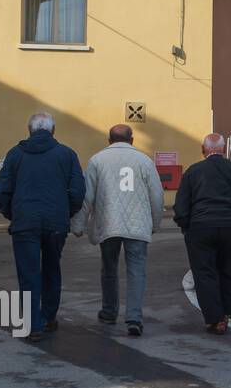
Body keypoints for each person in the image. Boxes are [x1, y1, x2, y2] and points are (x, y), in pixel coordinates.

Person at [0, 112, 85, 342]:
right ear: (53, 131)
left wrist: (12, 214)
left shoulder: (15, 154)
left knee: (28, 273)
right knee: (52, 268)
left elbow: (2, 190)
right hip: (56, 223)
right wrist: (67, 212)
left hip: (24, 222)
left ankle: (33, 324)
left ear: (29, 130)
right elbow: (77, 191)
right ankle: (49, 316)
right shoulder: (67, 154)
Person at [70, 124, 165, 337]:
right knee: (136, 271)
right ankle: (134, 318)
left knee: (109, 269)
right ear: (132, 140)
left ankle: (109, 311)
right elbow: (157, 196)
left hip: (108, 223)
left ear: (109, 140)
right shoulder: (144, 161)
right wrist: (155, 223)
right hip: (138, 224)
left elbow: (87, 196)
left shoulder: (97, 160)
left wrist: (78, 224)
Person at [173, 133, 231, 334]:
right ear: (224, 150)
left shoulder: (193, 172)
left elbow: (181, 207)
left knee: (204, 273)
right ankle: (226, 313)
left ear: (203, 149)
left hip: (201, 227)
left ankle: (214, 317)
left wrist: (187, 226)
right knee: (229, 271)